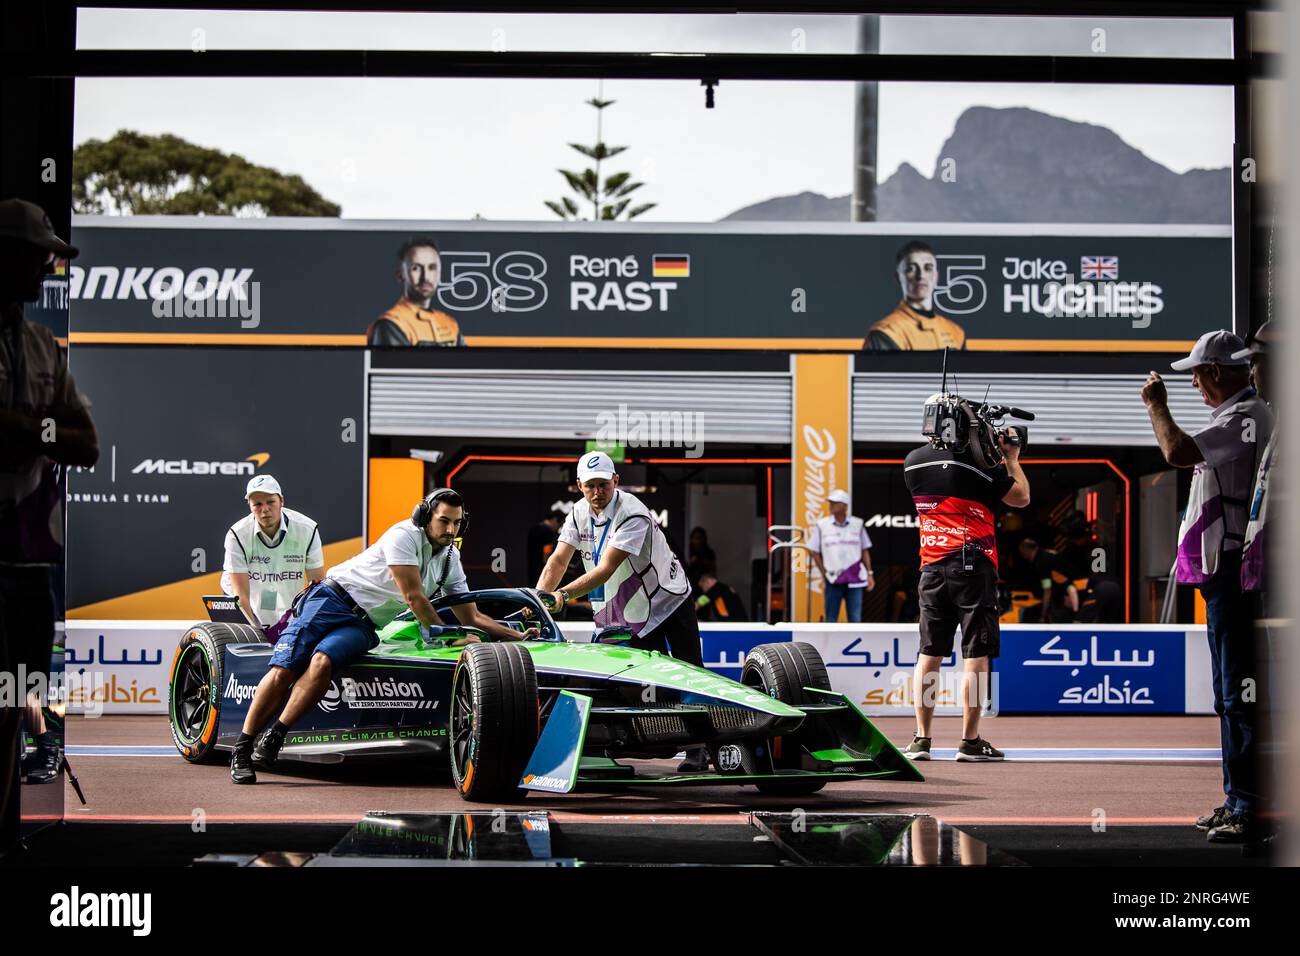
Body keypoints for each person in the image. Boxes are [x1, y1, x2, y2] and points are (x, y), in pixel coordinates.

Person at [230, 488, 532, 784]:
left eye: (456, 523)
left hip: (364, 624)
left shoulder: (451, 559)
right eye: (444, 521)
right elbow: (414, 597)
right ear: (424, 516)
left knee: (322, 664)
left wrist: (515, 636)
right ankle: (242, 749)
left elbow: (472, 617)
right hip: (330, 600)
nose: (450, 530)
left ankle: (274, 737)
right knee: (284, 670)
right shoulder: (403, 536)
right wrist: (450, 636)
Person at [1141, 329, 1273, 843]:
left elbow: (1175, 450)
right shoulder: (1234, 418)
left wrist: (1156, 405)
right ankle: (1238, 799)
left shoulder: (1246, 417)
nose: (1193, 383)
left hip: (1235, 570)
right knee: (1229, 693)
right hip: (1225, 571)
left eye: (1196, 374)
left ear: (1216, 371)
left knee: (1238, 693)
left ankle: (1250, 806)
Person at [0, 199, 100, 853]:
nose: (47, 268)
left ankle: (5, 836)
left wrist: (26, 428)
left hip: (29, 559)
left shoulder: (43, 345)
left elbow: (86, 443)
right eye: (39, 255)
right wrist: (45, 429)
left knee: (13, 702)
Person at [535, 451, 705, 771]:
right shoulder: (578, 512)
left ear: (616, 481)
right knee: (619, 677)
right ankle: (605, 747)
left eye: (603, 484)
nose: (597, 492)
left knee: (688, 674)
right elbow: (558, 560)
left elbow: (605, 569)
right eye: (590, 486)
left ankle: (698, 749)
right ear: (579, 486)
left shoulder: (633, 513)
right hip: (627, 609)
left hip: (669, 600)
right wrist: (538, 601)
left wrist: (562, 596)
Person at [900, 396, 1029, 761]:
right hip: (973, 566)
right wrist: (1010, 457)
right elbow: (1021, 497)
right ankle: (970, 741)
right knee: (976, 652)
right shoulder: (980, 465)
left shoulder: (912, 462)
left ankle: (921, 739)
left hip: (931, 568)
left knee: (929, 653)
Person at [220, 474, 325, 627]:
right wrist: (253, 634)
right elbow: (240, 594)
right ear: (249, 505)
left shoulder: (307, 529)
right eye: (257, 504)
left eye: (270, 502)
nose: (265, 509)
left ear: (281, 501)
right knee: (250, 634)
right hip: (243, 598)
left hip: (283, 595)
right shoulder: (237, 534)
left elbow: (316, 589)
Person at [863, 240, 966, 351]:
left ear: (936, 276)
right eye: (911, 269)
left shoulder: (955, 332)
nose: (921, 276)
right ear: (898, 277)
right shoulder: (887, 332)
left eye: (928, 268)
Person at [366, 236, 464, 347]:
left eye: (432, 267)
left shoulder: (450, 324)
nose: (425, 277)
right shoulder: (390, 324)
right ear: (400, 275)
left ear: (439, 274)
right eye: (416, 268)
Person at [807, 489, 875, 623]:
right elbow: (814, 551)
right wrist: (824, 573)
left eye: (835, 502)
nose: (831, 505)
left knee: (855, 619)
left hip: (855, 579)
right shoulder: (822, 525)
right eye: (830, 502)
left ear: (845, 506)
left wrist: (870, 573)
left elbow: (865, 550)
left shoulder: (857, 524)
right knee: (831, 619)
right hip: (833, 579)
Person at [1017, 537, 1078, 624]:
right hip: (1066, 593)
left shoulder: (1042, 562)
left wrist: (1043, 615)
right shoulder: (1046, 554)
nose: (1023, 556)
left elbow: (1047, 590)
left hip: (1070, 596)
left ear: (1027, 550)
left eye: (1022, 553)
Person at [526, 509, 565, 588]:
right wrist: (548, 564)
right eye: (559, 525)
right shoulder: (548, 532)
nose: (558, 528)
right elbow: (546, 550)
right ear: (555, 519)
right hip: (542, 569)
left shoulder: (533, 529)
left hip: (532, 566)